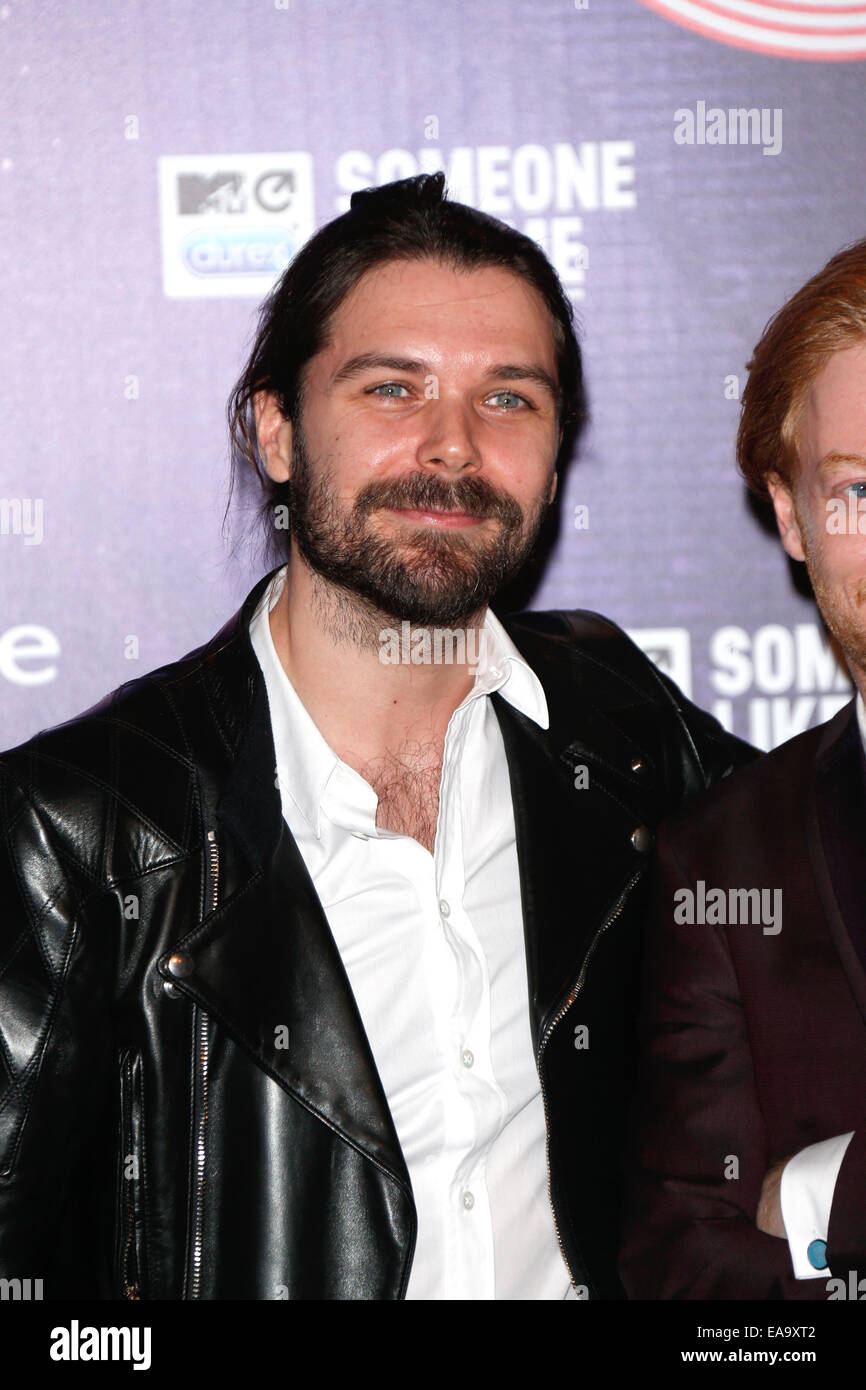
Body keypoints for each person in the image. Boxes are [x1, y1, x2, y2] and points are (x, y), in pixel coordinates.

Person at [0, 173, 750, 1301]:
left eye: (508, 399)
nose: (450, 448)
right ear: (276, 434)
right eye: (392, 388)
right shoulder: (82, 828)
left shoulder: (623, 732)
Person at [620, 237, 866, 1301]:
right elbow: (685, 1273)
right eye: (859, 488)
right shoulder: (722, 856)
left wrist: (818, 1192)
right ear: (790, 517)